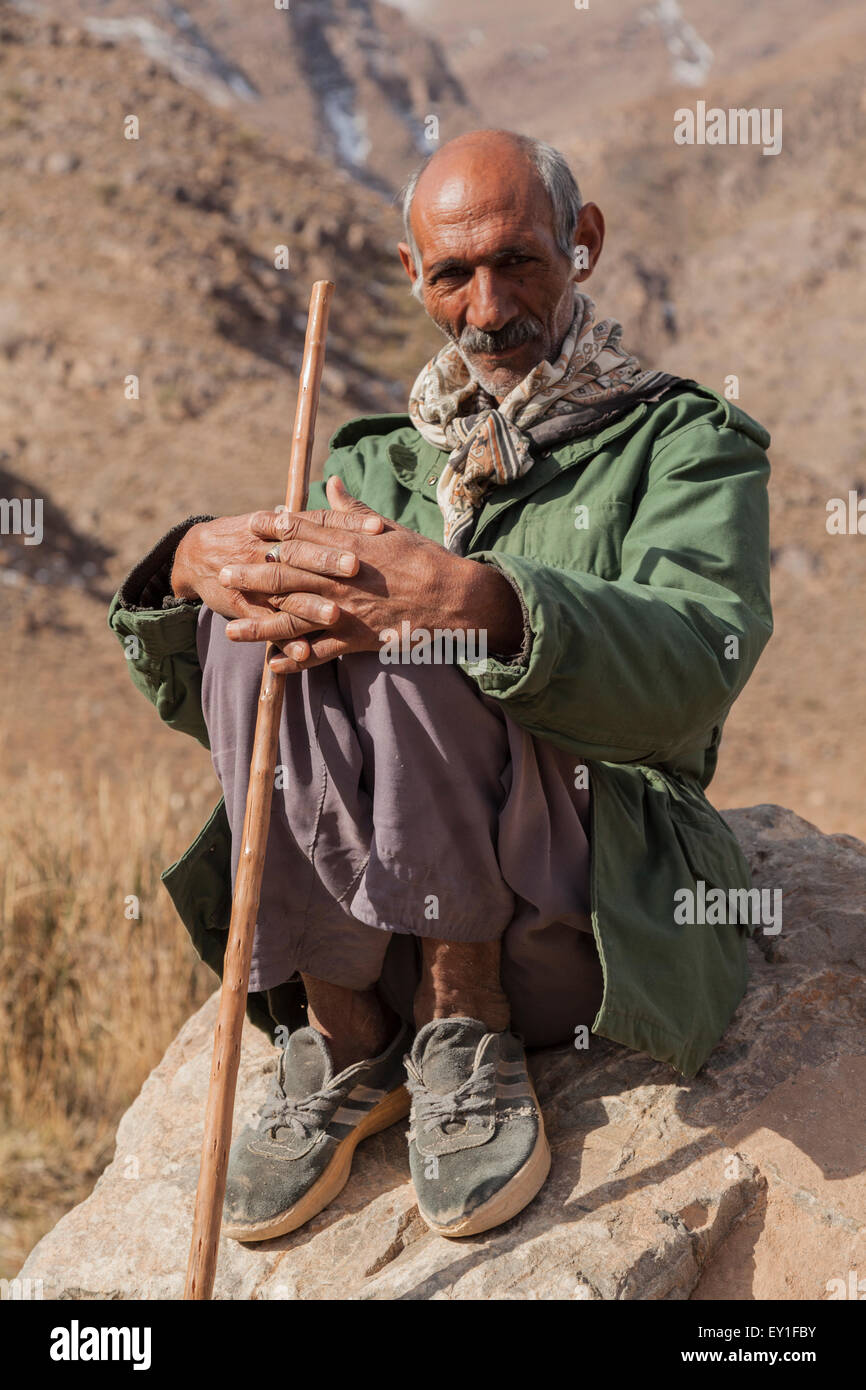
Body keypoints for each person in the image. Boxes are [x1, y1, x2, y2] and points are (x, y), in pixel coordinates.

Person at [109, 129, 772, 1241]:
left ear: (584, 243)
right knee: (253, 624)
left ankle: (464, 1022)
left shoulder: (684, 444)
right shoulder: (376, 458)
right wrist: (183, 564)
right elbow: (223, 717)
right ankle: (343, 1027)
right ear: (412, 275)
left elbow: (691, 669)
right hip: (369, 920)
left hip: (567, 909)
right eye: (452, 274)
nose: (486, 307)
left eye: (519, 261)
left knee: (421, 629)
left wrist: (481, 603)